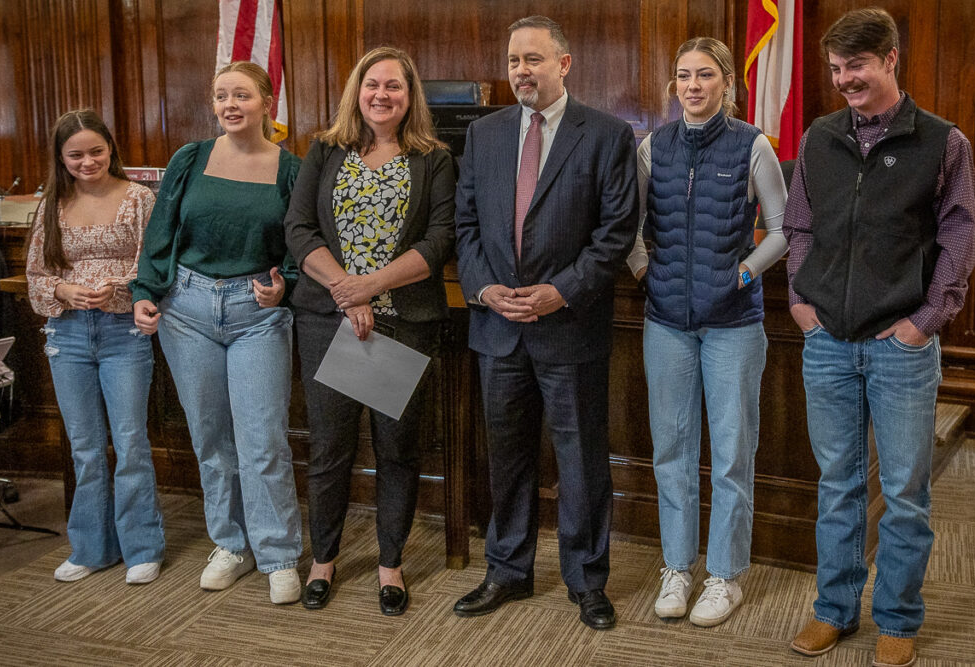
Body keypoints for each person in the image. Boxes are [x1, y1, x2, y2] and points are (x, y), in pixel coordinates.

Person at [784, 9, 975, 666]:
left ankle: (898, 615)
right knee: (836, 484)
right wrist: (800, 299)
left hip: (901, 347)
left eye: (856, 67)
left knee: (904, 493)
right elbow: (800, 226)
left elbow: (958, 236)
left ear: (891, 59)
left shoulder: (943, 142)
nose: (844, 80)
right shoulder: (819, 137)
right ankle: (833, 609)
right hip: (829, 342)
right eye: (836, 69)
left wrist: (924, 322)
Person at [453, 15, 638, 630]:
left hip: (569, 325)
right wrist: (484, 289)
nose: (521, 71)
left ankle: (587, 581)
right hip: (499, 327)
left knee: (581, 460)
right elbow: (467, 227)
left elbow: (615, 234)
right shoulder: (484, 134)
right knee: (506, 456)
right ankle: (508, 570)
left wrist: (560, 291)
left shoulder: (608, 134)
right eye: (513, 61)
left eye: (533, 59)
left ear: (563, 64)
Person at [283, 46, 455, 615]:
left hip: (402, 324)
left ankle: (390, 565)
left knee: (396, 449)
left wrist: (370, 287)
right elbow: (299, 229)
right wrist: (344, 290)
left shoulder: (433, 159)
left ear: (411, 97)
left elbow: (437, 243)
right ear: (357, 91)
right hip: (328, 321)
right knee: (329, 447)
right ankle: (323, 562)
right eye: (372, 84)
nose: (382, 95)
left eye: (395, 87)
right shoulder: (326, 150)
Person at [627, 37, 788, 627]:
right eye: (683, 76)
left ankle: (724, 575)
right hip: (666, 323)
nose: (693, 86)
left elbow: (783, 228)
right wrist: (643, 267)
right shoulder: (653, 146)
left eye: (705, 75)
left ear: (727, 83)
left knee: (730, 454)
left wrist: (744, 272)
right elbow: (630, 224)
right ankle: (677, 567)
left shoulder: (753, 146)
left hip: (734, 325)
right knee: (670, 452)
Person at [131, 61, 304, 605]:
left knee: (263, 440)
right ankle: (230, 544)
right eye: (221, 96)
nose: (231, 105)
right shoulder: (191, 159)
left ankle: (277, 554)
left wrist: (287, 287)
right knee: (210, 437)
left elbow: (303, 245)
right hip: (188, 310)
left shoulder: (290, 169)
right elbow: (162, 233)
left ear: (267, 102)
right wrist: (145, 291)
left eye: (243, 95)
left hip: (258, 313)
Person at [26, 109, 165, 584]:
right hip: (67, 334)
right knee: (84, 447)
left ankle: (142, 546)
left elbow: (153, 265)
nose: (88, 162)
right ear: (61, 158)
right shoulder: (51, 205)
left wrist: (120, 288)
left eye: (96, 151)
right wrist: (64, 291)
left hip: (122, 331)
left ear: (111, 149)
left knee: (130, 443)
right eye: (76, 155)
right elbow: (37, 278)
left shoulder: (139, 198)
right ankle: (90, 547)